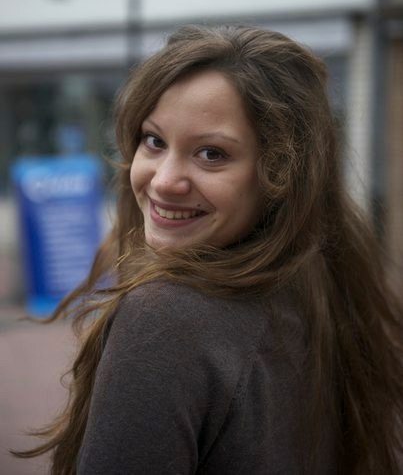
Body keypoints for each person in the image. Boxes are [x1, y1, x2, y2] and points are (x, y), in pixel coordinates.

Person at [15, 25, 403, 474]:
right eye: (154, 141)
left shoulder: (164, 319)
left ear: (282, 175)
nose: (164, 181)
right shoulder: (320, 279)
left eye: (212, 154)